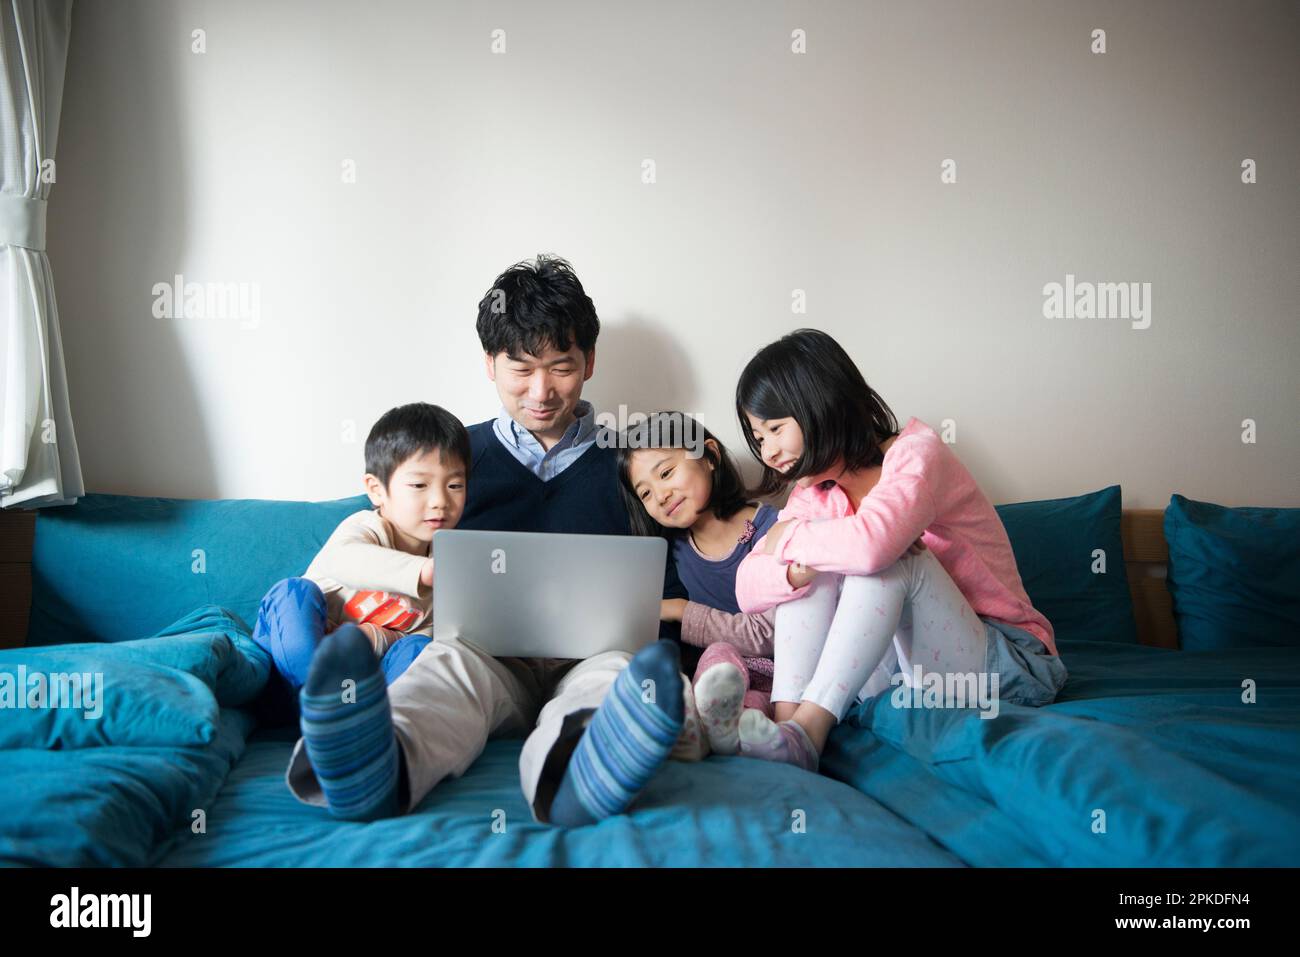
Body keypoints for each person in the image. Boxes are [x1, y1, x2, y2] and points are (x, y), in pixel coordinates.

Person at [282, 255, 700, 825]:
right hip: (488, 656)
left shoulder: (632, 465)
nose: (542, 390)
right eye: (521, 368)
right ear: (489, 363)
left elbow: (674, 577)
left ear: (590, 362)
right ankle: (377, 764)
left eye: (561, 367)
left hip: (596, 653)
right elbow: (381, 544)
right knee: (445, 671)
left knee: (610, 680)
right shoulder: (452, 461)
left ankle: (579, 772)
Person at [732, 328, 1069, 770]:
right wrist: (796, 570)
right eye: (758, 439)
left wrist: (786, 539)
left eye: (775, 429)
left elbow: (873, 549)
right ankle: (786, 727)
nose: (768, 451)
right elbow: (746, 590)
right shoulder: (813, 493)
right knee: (802, 578)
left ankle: (809, 729)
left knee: (891, 561)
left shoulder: (916, 455)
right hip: (908, 672)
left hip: (1005, 663)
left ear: (820, 405)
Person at [249, 403, 467, 715]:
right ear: (376, 490)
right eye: (419, 485)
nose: (440, 501)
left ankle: (379, 721)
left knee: (421, 651)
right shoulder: (367, 527)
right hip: (292, 668)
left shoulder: (452, 567)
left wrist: (377, 637)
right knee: (293, 591)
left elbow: (431, 633)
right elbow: (343, 560)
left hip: (360, 684)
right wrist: (422, 571)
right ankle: (316, 697)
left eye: (455, 486)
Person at [616, 411, 778, 755]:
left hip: (784, 675)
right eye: (645, 493)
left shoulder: (774, 530)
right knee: (723, 675)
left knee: (728, 664)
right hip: (724, 680)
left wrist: (680, 610)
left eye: (666, 472)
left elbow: (774, 633)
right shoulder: (671, 555)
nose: (660, 495)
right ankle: (708, 729)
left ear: (710, 457)